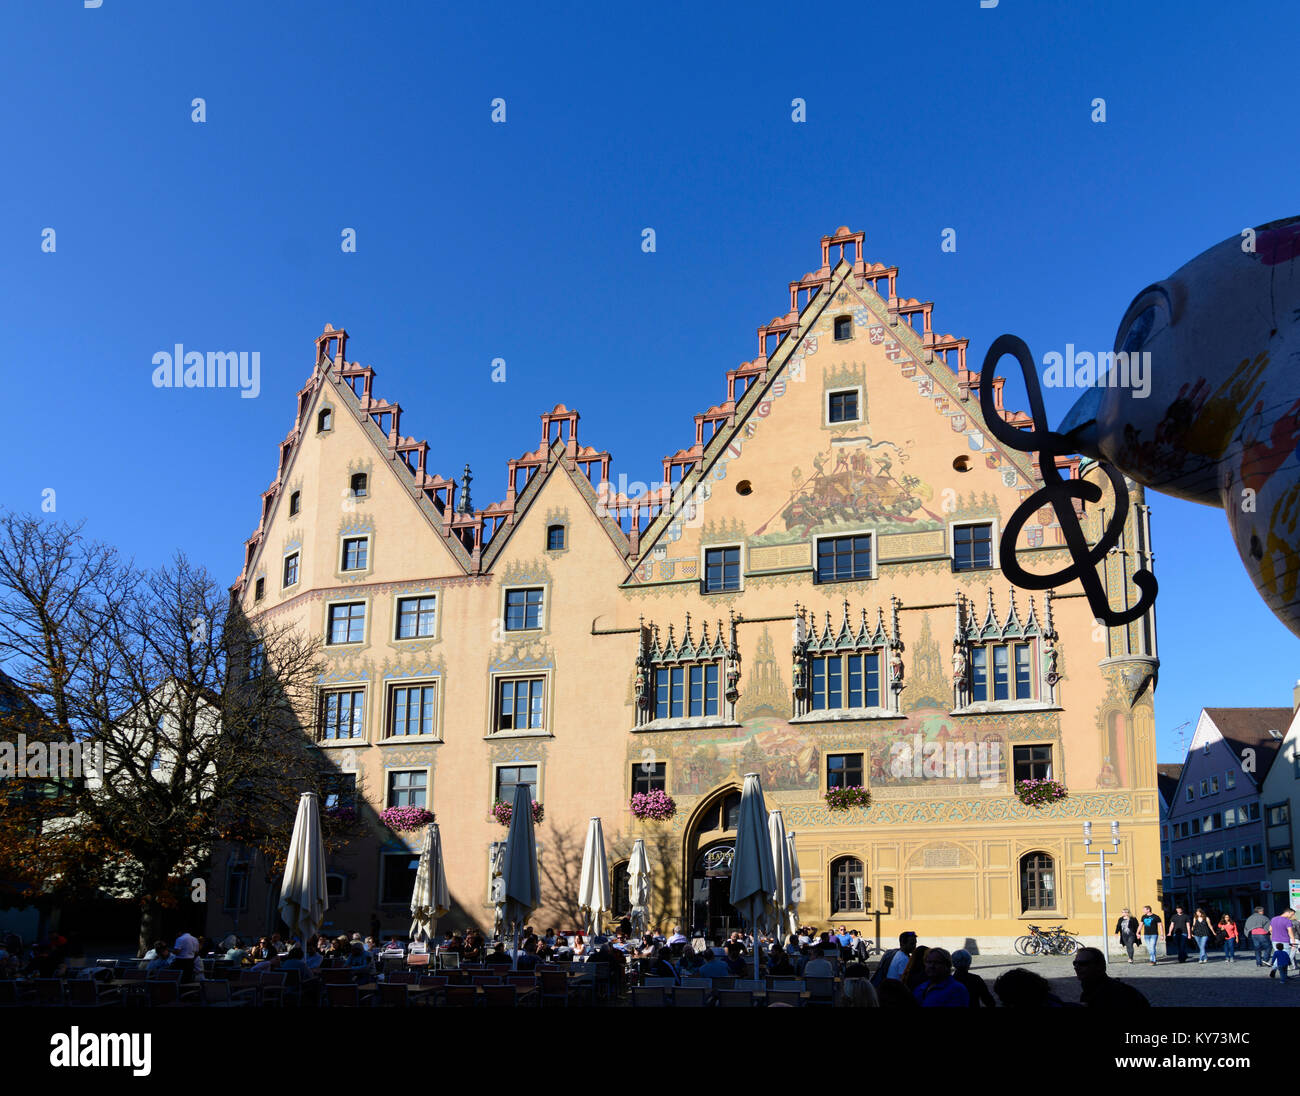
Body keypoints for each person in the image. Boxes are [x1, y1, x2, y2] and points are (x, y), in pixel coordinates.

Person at [1072, 946, 1149, 1006]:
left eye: (1083, 964)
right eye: (1075, 963)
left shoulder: (1114, 994)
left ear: (1099, 966)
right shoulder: (1091, 988)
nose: (1076, 967)